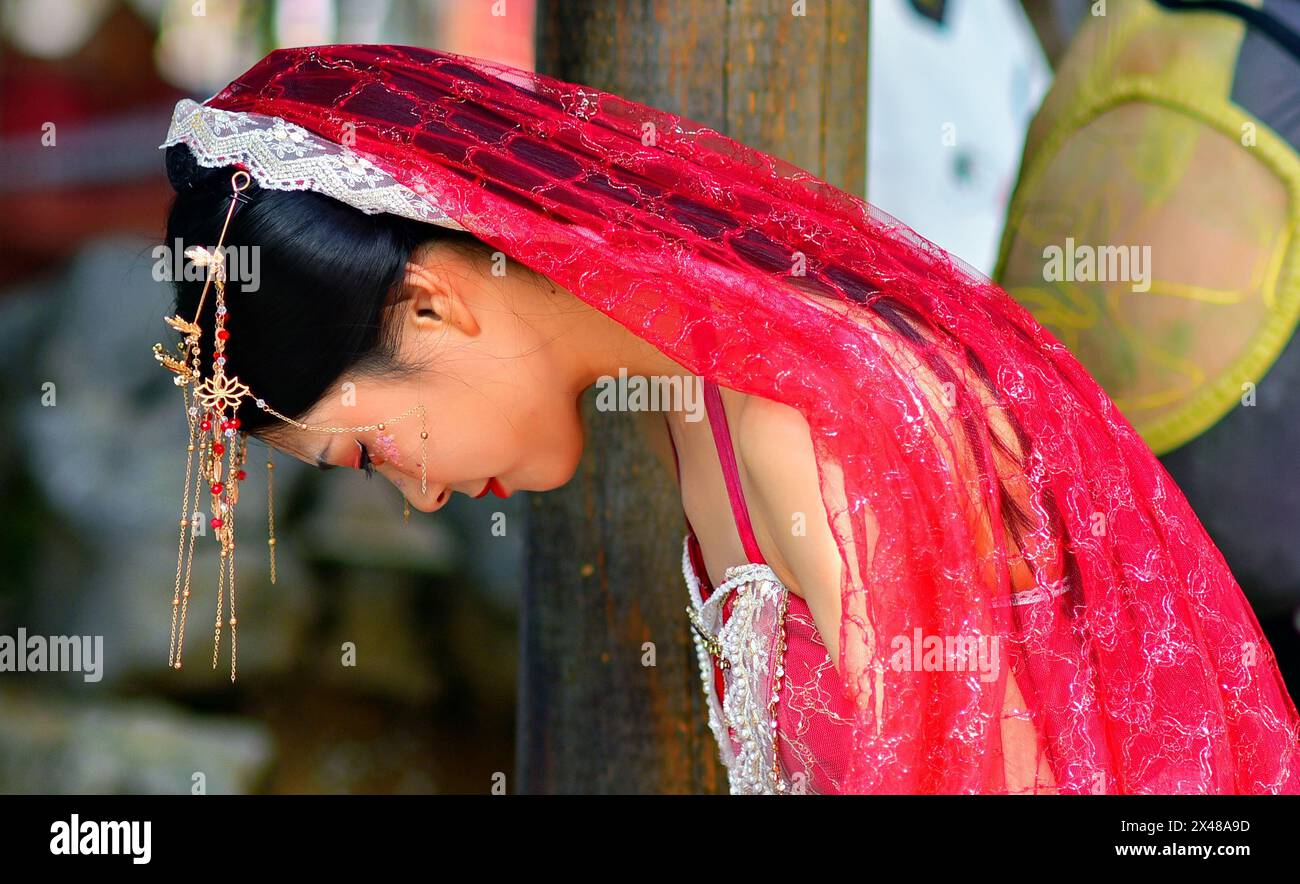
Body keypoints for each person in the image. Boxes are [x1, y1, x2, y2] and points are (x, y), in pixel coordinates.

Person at [155, 44, 1300, 793]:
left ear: (430, 300)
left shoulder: (805, 426)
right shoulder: (705, 397)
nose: (423, 492)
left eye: (371, 451)